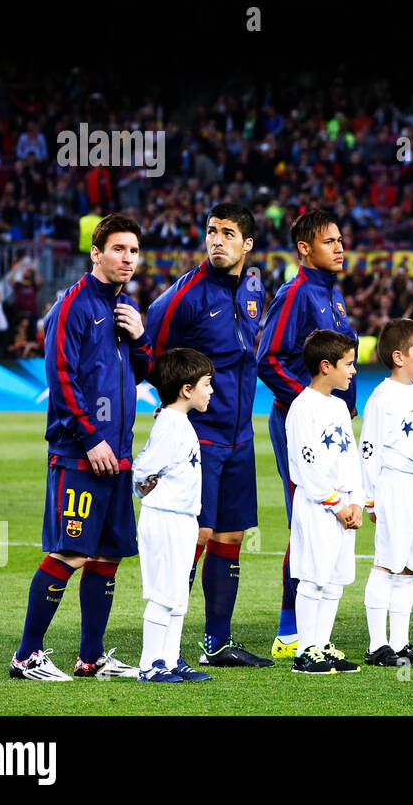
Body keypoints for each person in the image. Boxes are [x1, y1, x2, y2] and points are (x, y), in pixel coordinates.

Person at [10, 214, 153, 681]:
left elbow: (141, 372)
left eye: (133, 250)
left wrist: (141, 337)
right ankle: (27, 656)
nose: (127, 258)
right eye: (118, 249)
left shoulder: (125, 308)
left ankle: (90, 658)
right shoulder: (71, 307)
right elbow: (61, 379)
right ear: (96, 253)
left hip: (119, 454)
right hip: (80, 454)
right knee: (70, 552)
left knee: (107, 555)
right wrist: (90, 438)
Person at [146, 203, 273, 667]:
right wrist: (173, 411)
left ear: (247, 244)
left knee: (229, 538)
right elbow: (149, 352)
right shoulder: (185, 295)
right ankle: (165, 649)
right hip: (200, 440)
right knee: (194, 539)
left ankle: (217, 643)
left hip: (241, 436)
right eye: (211, 232)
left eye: (227, 233)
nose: (216, 240)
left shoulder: (255, 288)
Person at [256, 209, 359, 658]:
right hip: (302, 426)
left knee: (331, 517)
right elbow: (269, 357)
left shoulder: (330, 293)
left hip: (333, 426)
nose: (339, 247)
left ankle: (312, 629)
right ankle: (290, 631)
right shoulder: (296, 293)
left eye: (340, 240)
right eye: (329, 241)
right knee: (311, 518)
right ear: (304, 248)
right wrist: (313, 404)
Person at [359, 319, 413, 668]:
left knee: (409, 566)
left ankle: (400, 642)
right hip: (394, 485)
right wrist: (370, 498)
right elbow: (369, 448)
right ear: (398, 357)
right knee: (387, 563)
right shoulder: (382, 397)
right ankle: (377, 645)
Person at [132, 347, 217, 683]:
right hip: (165, 518)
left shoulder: (177, 422)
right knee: (165, 594)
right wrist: (143, 488)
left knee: (178, 594)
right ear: (187, 389)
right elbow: (143, 468)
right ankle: (149, 664)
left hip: (182, 518)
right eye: (206, 384)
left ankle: (169, 659)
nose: (210, 391)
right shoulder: (169, 424)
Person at [286, 329, 364, 674]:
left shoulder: (338, 407)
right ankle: (305, 651)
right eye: (348, 364)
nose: (354, 371)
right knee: (314, 577)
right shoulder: (303, 408)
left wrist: (357, 502)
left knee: (335, 579)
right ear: (325, 366)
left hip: (345, 504)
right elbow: (307, 465)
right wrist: (337, 504)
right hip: (321, 505)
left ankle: (322, 644)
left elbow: (353, 459)